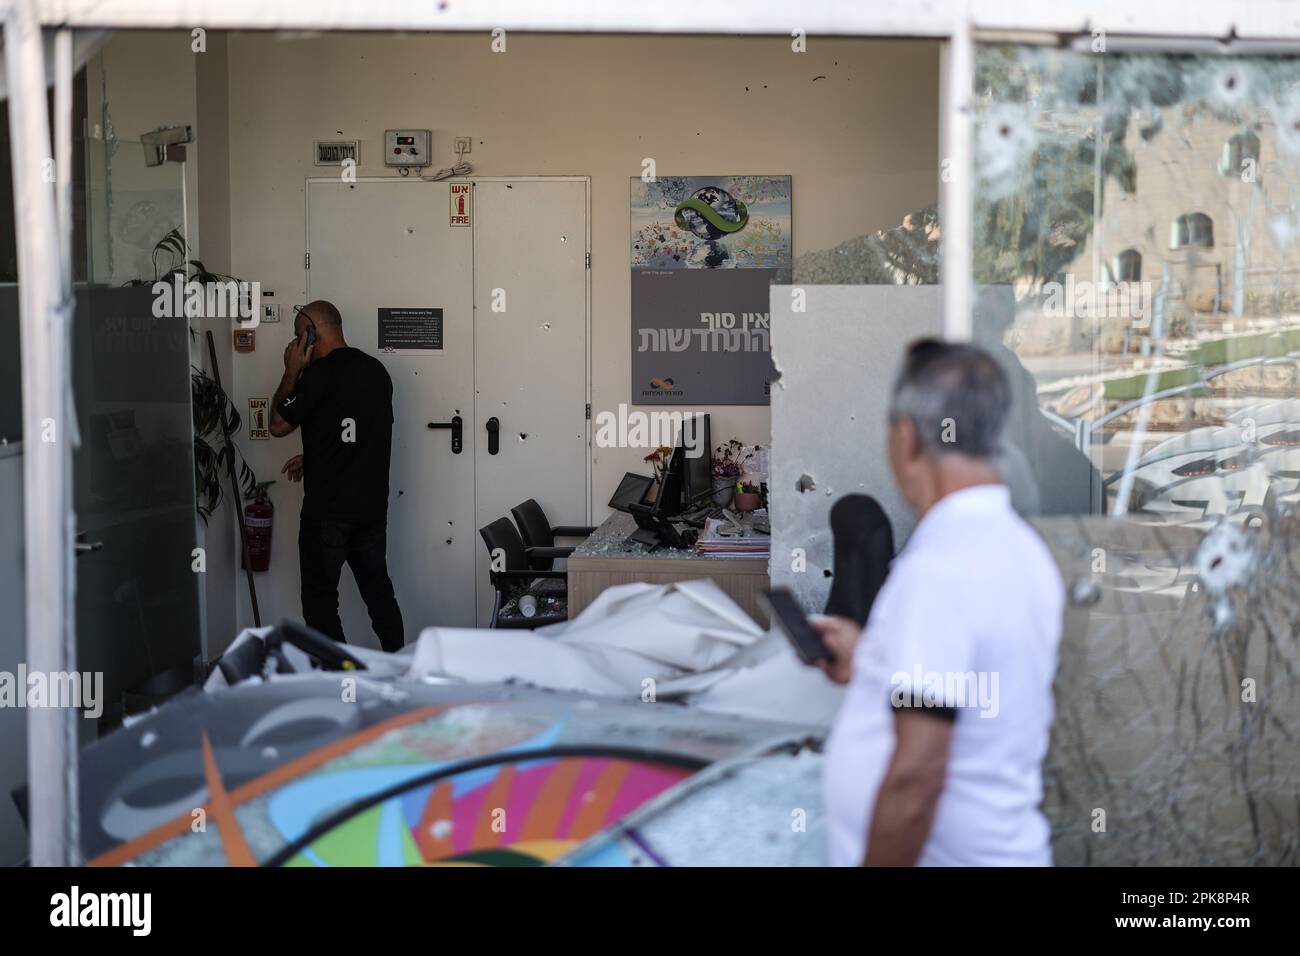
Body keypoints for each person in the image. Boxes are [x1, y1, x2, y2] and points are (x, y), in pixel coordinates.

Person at [815, 339, 1064, 866]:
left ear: (906, 439)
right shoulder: (1021, 549)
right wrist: (873, 659)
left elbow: (915, 782)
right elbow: (965, 687)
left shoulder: (941, 569)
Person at [268, 300, 406, 652]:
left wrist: (291, 371)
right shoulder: (377, 372)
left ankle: (341, 677)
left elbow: (278, 425)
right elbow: (358, 435)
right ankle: (402, 666)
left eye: (297, 336)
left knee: (320, 602)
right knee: (379, 594)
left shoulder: (316, 375)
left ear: (309, 334)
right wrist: (313, 457)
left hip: (327, 513)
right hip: (371, 511)